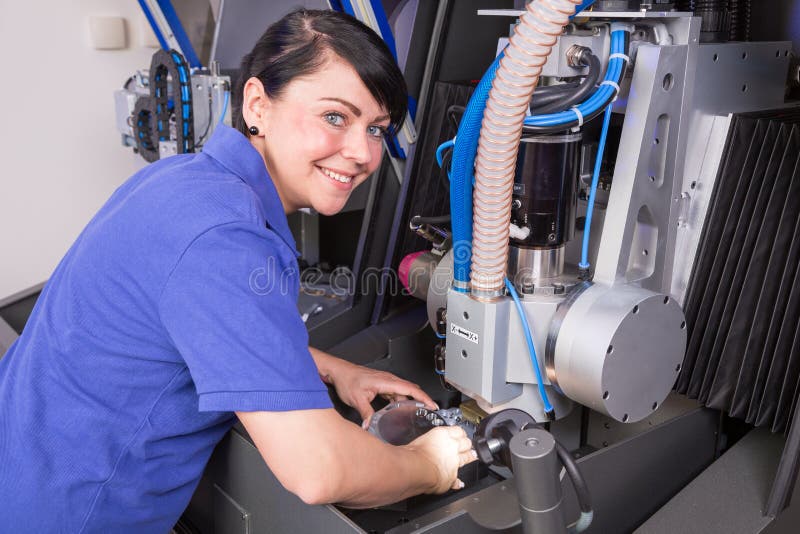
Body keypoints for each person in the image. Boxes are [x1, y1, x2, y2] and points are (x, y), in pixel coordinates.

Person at [0, 9, 475, 532]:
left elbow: (192, 323)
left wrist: (332, 367)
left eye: (377, 129)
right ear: (257, 104)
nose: (362, 154)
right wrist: (430, 465)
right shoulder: (224, 238)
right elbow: (319, 470)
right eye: (335, 117)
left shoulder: (183, 180)